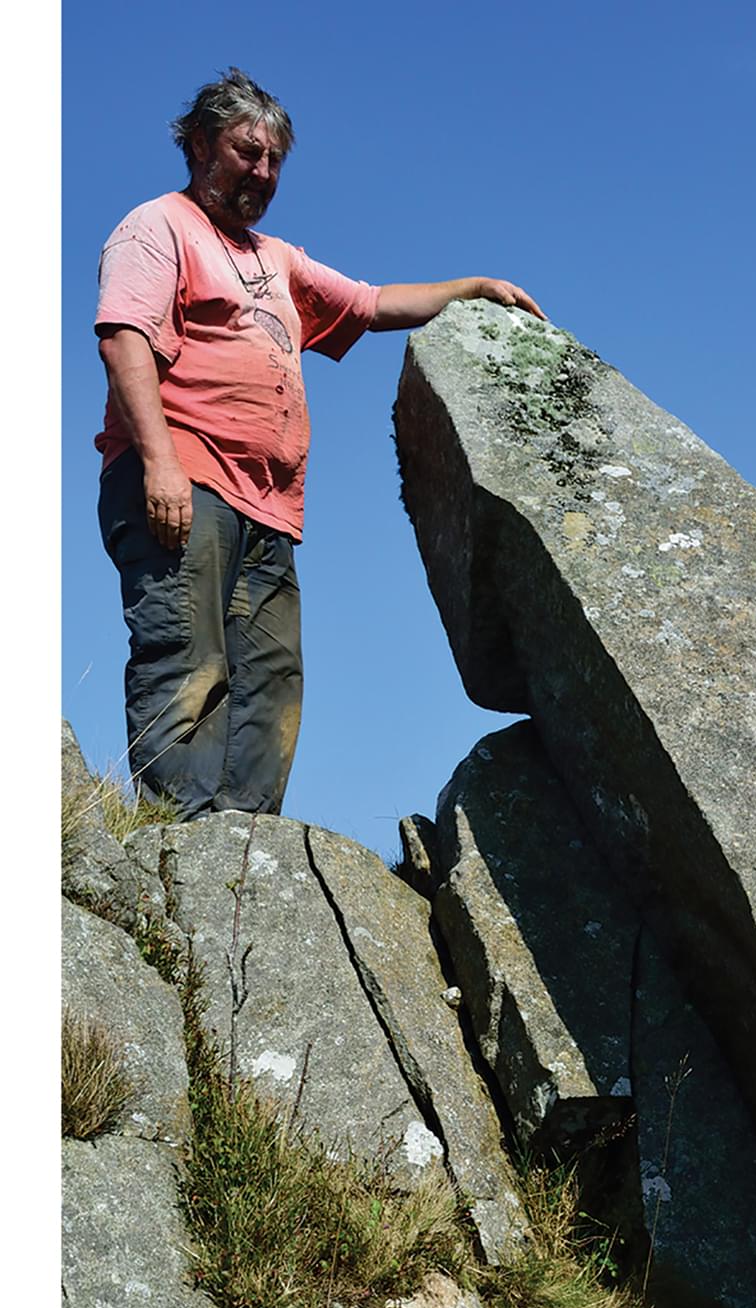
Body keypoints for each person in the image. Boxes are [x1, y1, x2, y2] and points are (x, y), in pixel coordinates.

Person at [95, 68, 545, 819]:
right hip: (184, 480)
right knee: (188, 661)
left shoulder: (277, 259)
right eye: (247, 152)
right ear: (201, 144)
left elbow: (369, 304)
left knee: (270, 680)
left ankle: (243, 863)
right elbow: (125, 340)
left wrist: (472, 287)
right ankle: (174, 854)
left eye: (274, 161)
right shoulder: (158, 226)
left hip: (269, 510)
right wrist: (162, 464)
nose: (263, 173)